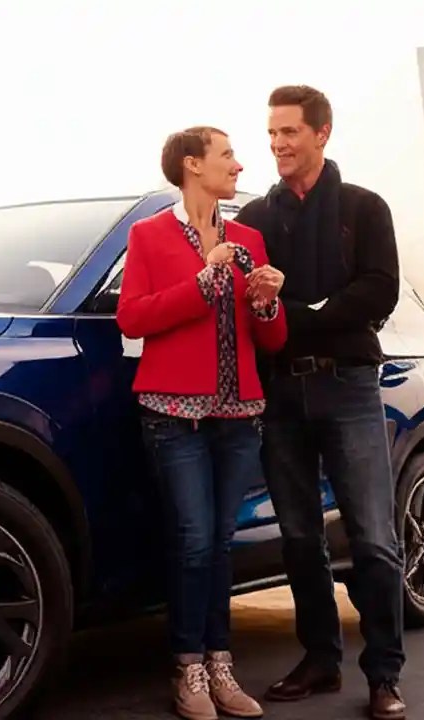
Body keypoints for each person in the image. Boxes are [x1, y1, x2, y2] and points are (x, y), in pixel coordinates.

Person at [234, 85, 407, 720]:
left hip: (350, 385)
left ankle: (385, 673)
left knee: (373, 538)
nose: (278, 145)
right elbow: (250, 308)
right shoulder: (255, 217)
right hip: (279, 391)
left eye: (290, 133)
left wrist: (297, 312)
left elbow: (377, 293)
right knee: (300, 537)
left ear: (322, 133)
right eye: (272, 134)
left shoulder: (364, 208)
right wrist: (281, 314)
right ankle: (320, 660)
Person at [117, 126, 287, 720]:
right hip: (174, 415)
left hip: (240, 416)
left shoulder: (250, 238)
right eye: (227, 155)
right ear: (193, 165)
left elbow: (271, 338)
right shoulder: (149, 236)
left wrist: (267, 299)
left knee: (219, 544)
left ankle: (221, 665)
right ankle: (187, 667)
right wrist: (200, 281)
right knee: (191, 542)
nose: (239, 165)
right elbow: (131, 318)